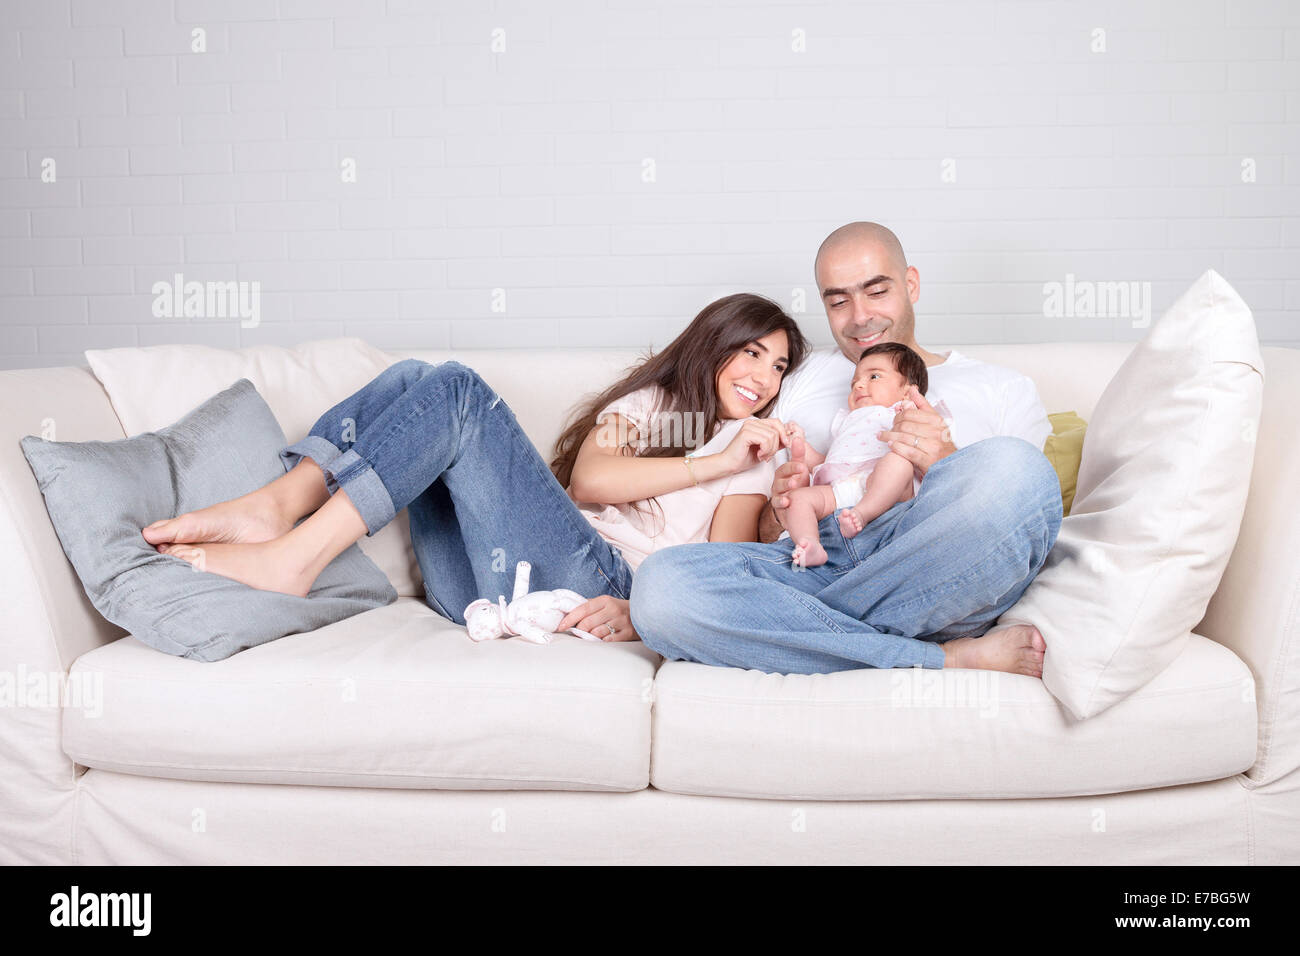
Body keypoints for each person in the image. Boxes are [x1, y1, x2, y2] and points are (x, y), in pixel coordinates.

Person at [140, 293, 809, 643]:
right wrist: (709, 457)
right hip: (478, 584)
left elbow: (713, 573)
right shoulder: (662, 406)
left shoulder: (750, 451)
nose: (762, 377)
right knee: (414, 379)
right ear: (713, 347)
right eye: (750, 353)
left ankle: (290, 552)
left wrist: (644, 612)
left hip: (584, 587)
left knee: (456, 391)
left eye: (777, 366)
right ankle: (278, 507)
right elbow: (591, 481)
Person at [629, 222, 1061, 677]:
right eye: (838, 301)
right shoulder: (795, 376)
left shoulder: (1002, 387)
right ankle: (939, 655)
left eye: (876, 292)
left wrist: (944, 459)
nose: (858, 317)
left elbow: (1030, 525)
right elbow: (755, 525)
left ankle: (797, 632)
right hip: (811, 562)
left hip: (922, 561)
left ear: (911, 284)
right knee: (660, 589)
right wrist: (782, 505)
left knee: (1018, 469)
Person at [783, 342, 933, 568]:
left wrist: (910, 410)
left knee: (898, 462)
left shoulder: (906, 412)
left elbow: (930, 451)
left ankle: (863, 513)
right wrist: (800, 445)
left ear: (908, 390)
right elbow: (828, 462)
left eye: (874, 377)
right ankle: (810, 544)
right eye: (854, 383)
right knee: (796, 499)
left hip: (887, 490)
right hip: (840, 490)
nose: (859, 385)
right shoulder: (846, 421)